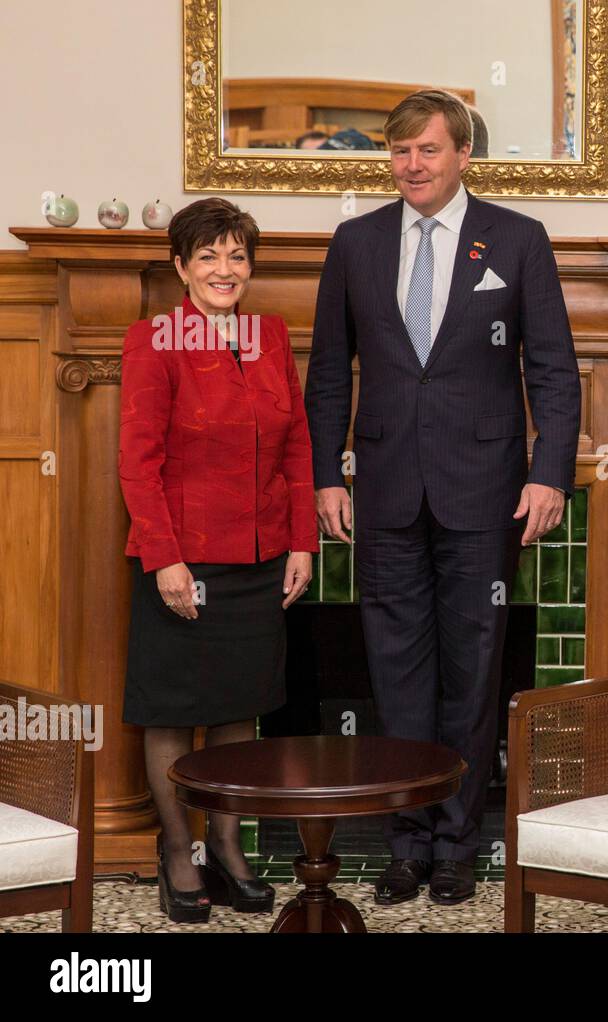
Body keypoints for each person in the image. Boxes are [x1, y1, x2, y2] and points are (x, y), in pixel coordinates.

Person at [305, 89, 580, 907]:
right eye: (399, 152)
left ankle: (459, 845)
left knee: (472, 675)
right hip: (382, 493)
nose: (412, 165)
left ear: (464, 155)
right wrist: (327, 473)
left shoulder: (520, 240)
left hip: (485, 493)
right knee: (396, 681)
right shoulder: (355, 243)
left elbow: (554, 372)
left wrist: (549, 472)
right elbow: (327, 374)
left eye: (427, 150)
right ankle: (406, 843)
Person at [119, 197, 317, 922]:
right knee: (172, 711)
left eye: (236, 256)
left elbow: (297, 443)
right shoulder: (153, 340)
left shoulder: (270, 335)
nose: (224, 270)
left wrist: (302, 540)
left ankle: (228, 850)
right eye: (208, 256)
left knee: (240, 710)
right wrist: (166, 559)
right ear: (181, 267)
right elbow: (138, 463)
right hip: (181, 559)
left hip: (261, 557)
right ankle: (180, 855)